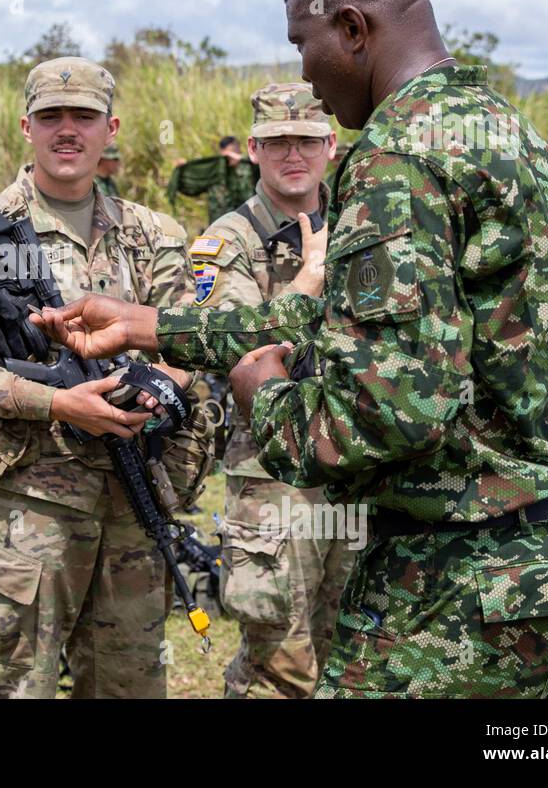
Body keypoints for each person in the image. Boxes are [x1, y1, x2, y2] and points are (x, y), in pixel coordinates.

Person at [31, 0, 548, 698]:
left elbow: (390, 413)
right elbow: (405, 323)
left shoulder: (397, 158)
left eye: (302, 43)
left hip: (458, 588)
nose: (307, 81)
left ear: (352, 28)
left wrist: (265, 399)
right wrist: (156, 326)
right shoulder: (509, 136)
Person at [0, 56, 211, 698]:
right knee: (23, 685)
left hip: (134, 495)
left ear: (113, 128)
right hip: (27, 505)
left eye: (84, 117)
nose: (67, 130)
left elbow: (190, 344)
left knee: (131, 683)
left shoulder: (153, 235)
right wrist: (54, 402)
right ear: (27, 126)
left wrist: (158, 386)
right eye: (51, 116)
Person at [193, 82, 355, 698]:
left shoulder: (357, 228)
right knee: (279, 666)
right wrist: (310, 280)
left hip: (354, 466)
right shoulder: (226, 242)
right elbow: (240, 352)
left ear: (331, 146)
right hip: (273, 478)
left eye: (307, 141)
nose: (295, 154)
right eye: (278, 141)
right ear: (254, 149)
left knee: (352, 656)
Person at [168, 135, 260, 224]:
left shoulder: (249, 167)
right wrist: (184, 168)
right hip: (219, 225)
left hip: (248, 223)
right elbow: (192, 187)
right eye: (230, 152)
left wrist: (239, 158)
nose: (232, 156)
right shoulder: (214, 171)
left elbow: (259, 161)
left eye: (235, 151)